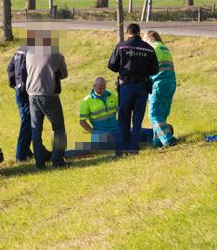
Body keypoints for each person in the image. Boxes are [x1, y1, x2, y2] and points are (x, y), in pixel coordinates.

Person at [108, 23, 159, 157]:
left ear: (128, 33)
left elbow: (112, 66)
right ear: (139, 32)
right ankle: (133, 150)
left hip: (126, 86)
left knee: (123, 119)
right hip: (142, 87)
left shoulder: (121, 46)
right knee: (137, 119)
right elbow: (154, 70)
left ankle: (120, 152)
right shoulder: (148, 49)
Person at [72, 76, 153, 156]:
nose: (102, 90)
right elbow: (82, 121)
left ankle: (155, 132)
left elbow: (123, 113)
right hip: (101, 133)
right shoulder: (86, 101)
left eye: (104, 88)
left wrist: (126, 127)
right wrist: (94, 132)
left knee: (136, 134)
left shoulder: (111, 95)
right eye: (100, 88)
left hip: (116, 129)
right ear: (94, 86)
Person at [25, 30, 68, 169]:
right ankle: (58, 161)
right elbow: (65, 74)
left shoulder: (29, 53)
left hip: (32, 94)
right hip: (49, 94)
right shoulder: (55, 54)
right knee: (59, 129)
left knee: (36, 130)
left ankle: (39, 163)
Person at [143, 30, 178, 148]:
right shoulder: (164, 48)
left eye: (144, 41)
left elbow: (146, 69)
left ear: (149, 39)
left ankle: (168, 140)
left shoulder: (152, 49)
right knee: (161, 115)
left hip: (159, 84)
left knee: (154, 115)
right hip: (170, 83)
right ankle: (157, 142)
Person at [7, 41, 32, 162]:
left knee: (27, 122)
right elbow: (24, 70)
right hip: (25, 91)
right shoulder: (30, 51)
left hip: (19, 89)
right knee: (27, 123)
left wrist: (14, 85)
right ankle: (21, 156)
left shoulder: (20, 50)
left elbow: (10, 68)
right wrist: (25, 87)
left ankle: (27, 151)